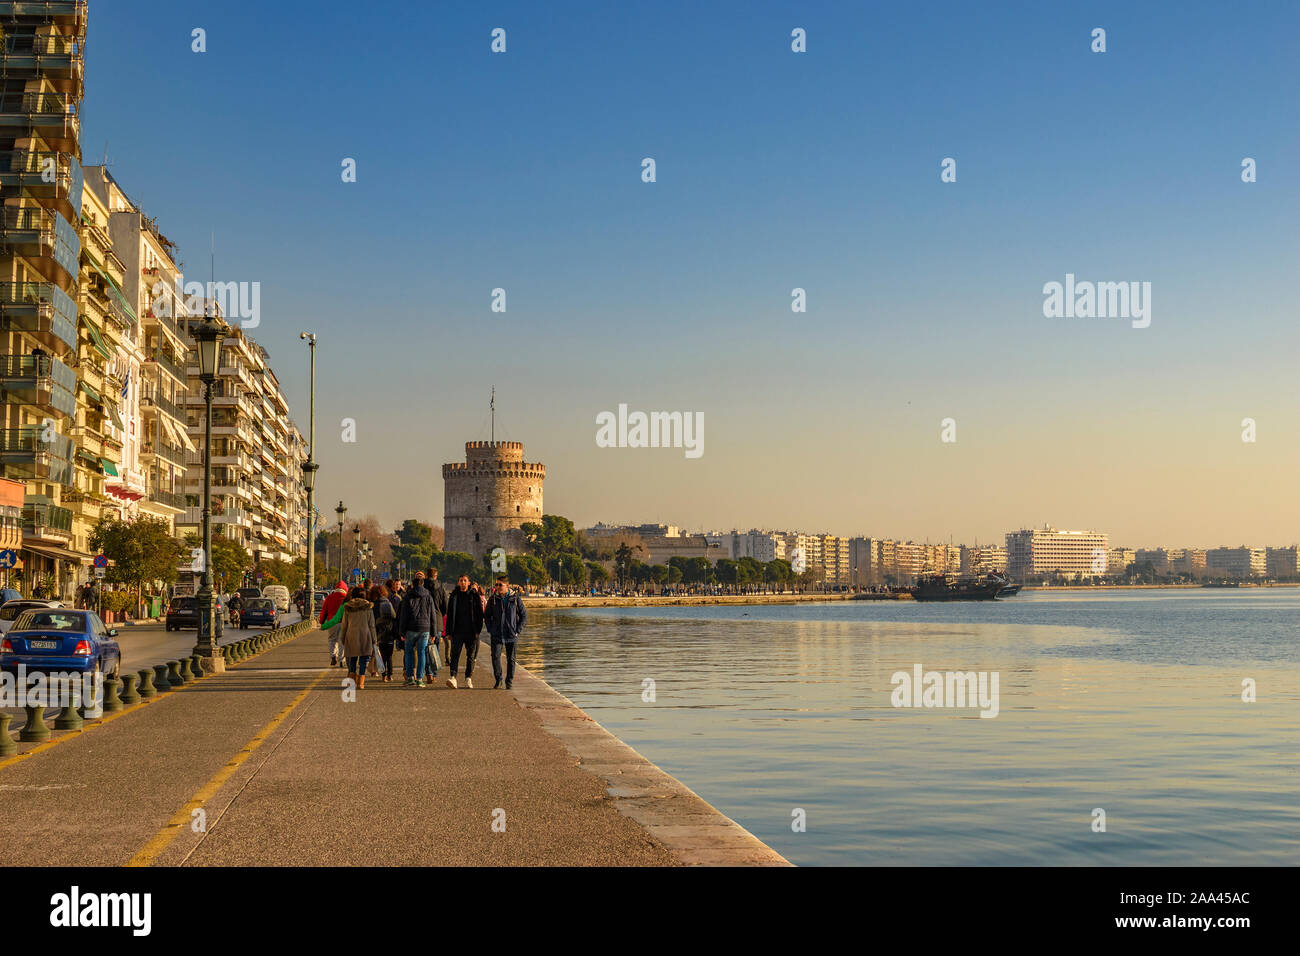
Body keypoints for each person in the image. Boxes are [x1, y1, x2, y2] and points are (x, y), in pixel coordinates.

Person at [484, 575, 526, 690]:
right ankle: (498, 680)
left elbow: (523, 615)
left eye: (500, 585)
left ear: (507, 586)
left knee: (511, 659)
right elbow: (487, 616)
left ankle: (509, 681)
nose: (497, 587)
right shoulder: (493, 599)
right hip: (496, 633)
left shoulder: (515, 598)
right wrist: (490, 629)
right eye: (496, 585)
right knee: (495, 657)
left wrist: (517, 630)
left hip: (511, 634)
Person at [397, 571, 438, 687]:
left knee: (409, 653)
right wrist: (434, 632)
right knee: (422, 653)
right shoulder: (428, 596)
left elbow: (404, 616)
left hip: (410, 628)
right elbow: (432, 615)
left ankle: (410, 677)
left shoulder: (408, 596)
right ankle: (420, 679)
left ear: (413, 584)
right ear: (423, 584)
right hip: (425, 628)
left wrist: (402, 631)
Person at [444, 574, 483, 689]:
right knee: (454, 654)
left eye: (465, 580)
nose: (463, 582)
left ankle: (468, 678)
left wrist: (478, 630)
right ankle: (453, 677)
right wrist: (448, 632)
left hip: (471, 631)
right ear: (458, 582)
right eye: (461, 580)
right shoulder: (454, 596)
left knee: (470, 655)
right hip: (457, 631)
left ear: (469, 583)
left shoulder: (474, 595)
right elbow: (449, 614)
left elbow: (479, 614)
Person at [337, 586, 376, 689]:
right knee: (363, 660)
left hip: (351, 635)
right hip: (365, 636)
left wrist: (343, 637)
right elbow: (371, 625)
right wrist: (374, 639)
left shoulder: (348, 608)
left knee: (353, 659)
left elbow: (344, 625)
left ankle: (352, 681)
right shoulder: (368, 608)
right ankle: (361, 682)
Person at [370, 583, 397, 682]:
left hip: (378, 633)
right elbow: (394, 617)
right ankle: (390, 675)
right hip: (389, 632)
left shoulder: (374, 605)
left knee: (381, 655)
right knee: (389, 655)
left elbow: (372, 620)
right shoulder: (388, 603)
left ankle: (383, 675)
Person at [319, 580, 350, 666]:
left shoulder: (329, 597)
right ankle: (341, 660)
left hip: (332, 622)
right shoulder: (346, 598)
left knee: (332, 640)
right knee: (342, 641)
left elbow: (324, 610)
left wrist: (321, 621)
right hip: (344, 623)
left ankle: (333, 656)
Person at [425, 567, 449, 666]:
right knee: (436, 648)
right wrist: (440, 614)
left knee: (425, 648)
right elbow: (446, 607)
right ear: (436, 576)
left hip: (425, 621)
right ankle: (434, 671)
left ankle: (428, 671)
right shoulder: (441, 588)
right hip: (438, 621)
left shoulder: (423, 587)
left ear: (426, 575)